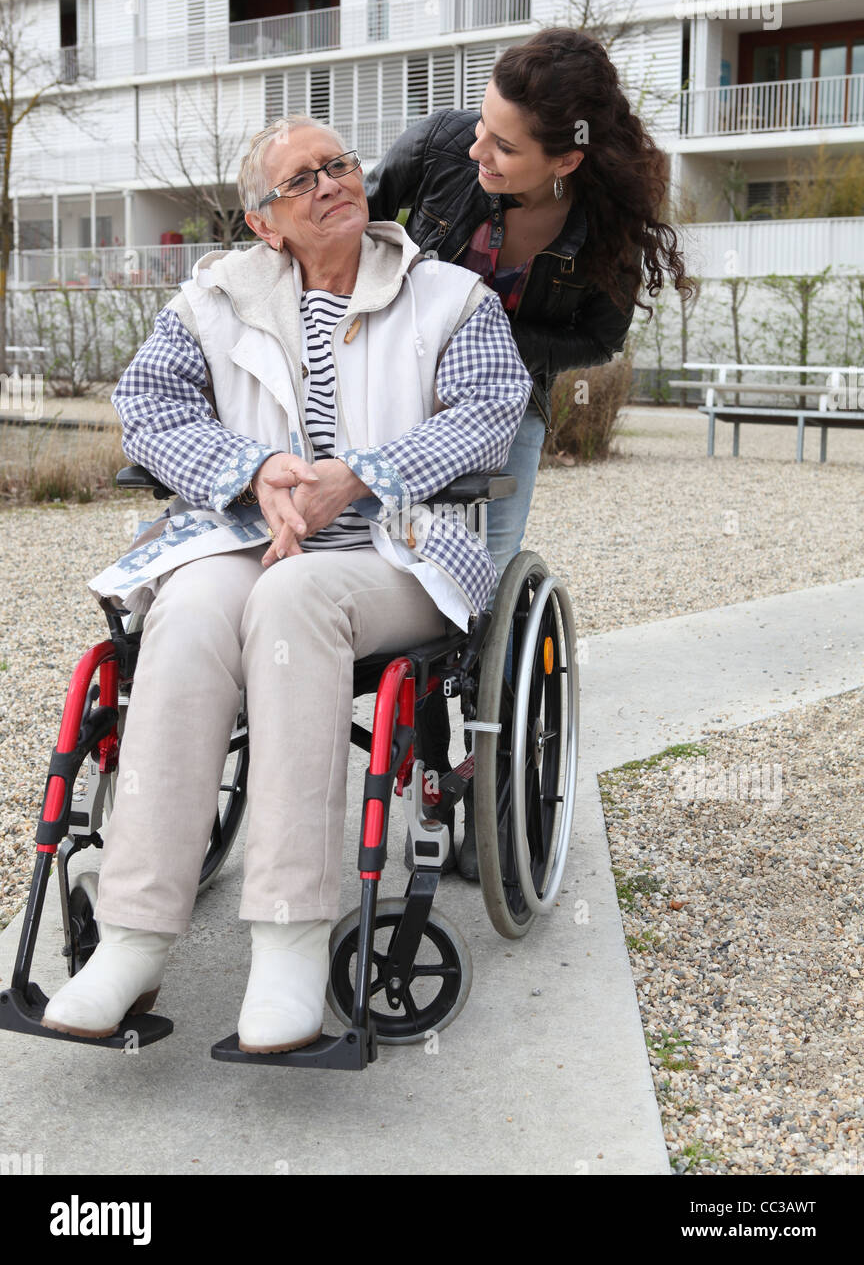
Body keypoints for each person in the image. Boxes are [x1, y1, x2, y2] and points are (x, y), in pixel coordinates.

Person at [41, 116, 532, 1053]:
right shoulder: (215, 298)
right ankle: (135, 936)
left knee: (291, 602)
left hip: (398, 547)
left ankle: (291, 942)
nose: (331, 183)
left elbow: (489, 416)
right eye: (301, 179)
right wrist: (253, 469)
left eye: (339, 164)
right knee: (185, 611)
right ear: (264, 224)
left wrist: (366, 474)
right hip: (246, 536)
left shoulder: (447, 295)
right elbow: (146, 408)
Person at [364, 27, 692, 876]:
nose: (477, 146)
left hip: (506, 409)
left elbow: (597, 337)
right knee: (374, 560)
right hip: (391, 394)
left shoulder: (604, 226)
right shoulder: (440, 149)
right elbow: (343, 228)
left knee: (479, 598)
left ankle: (464, 776)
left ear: (566, 161)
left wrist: (493, 343)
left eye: (504, 145)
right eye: (482, 124)